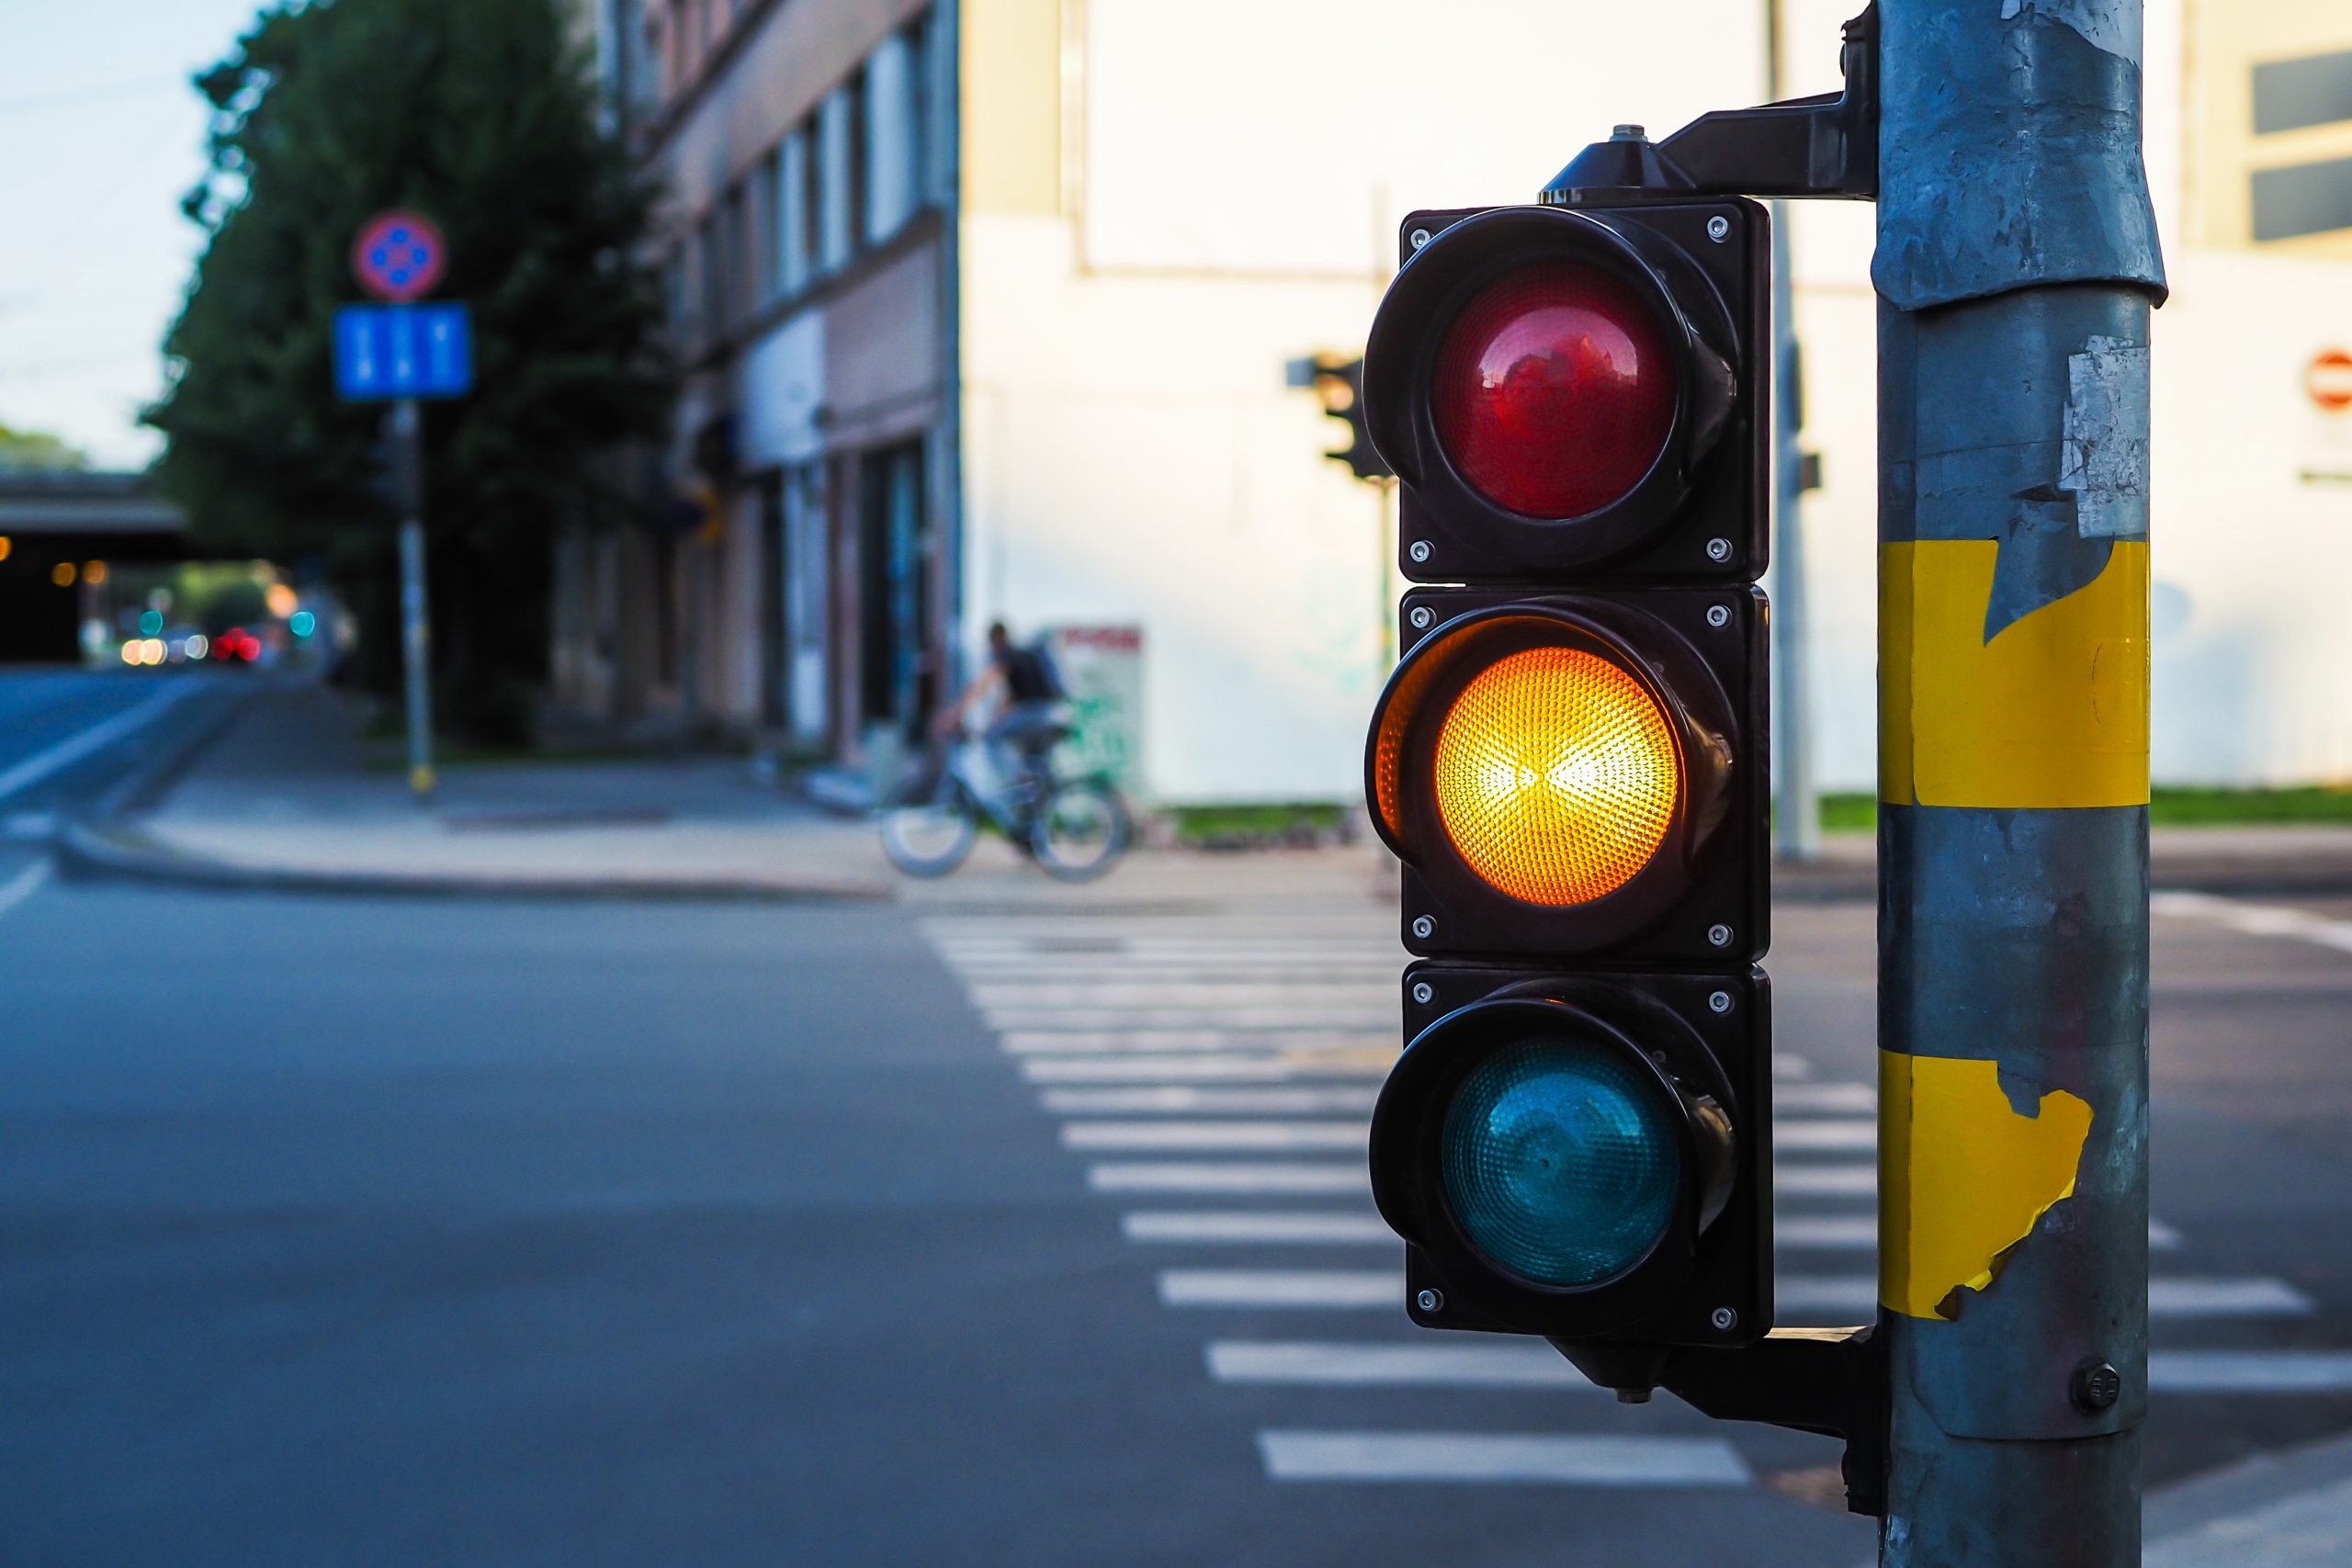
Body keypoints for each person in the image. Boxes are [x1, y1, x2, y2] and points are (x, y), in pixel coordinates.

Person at [938, 622, 1068, 813]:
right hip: (1056, 715)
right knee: (1036, 769)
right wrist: (990, 723)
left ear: (997, 638)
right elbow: (1007, 704)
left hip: (1036, 714)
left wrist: (957, 712)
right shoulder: (1024, 660)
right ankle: (1034, 822)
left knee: (991, 740)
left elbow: (983, 685)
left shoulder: (1007, 654)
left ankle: (1018, 783)